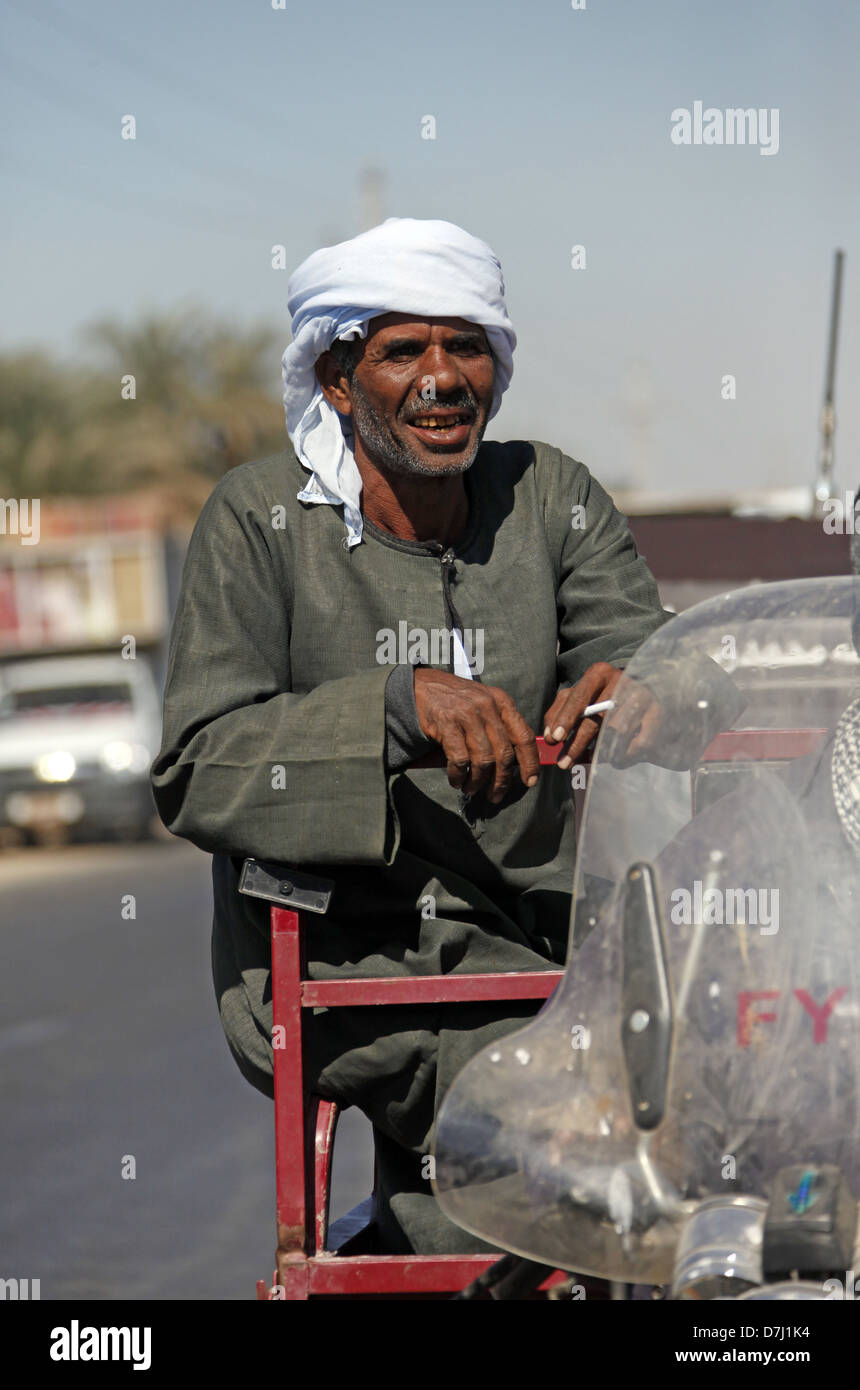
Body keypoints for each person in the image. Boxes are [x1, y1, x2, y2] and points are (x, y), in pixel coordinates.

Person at [151, 216, 673, 1253]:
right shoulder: (258, 520)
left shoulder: (549, 497)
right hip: (343, 955)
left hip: (548, 939)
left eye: (465, 346)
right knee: (557, 1121)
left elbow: (638, 643)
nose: (442, 377)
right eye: (402, 351)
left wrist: (645, 680)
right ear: (339, 380)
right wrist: (394, 705)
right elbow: (197, 765)